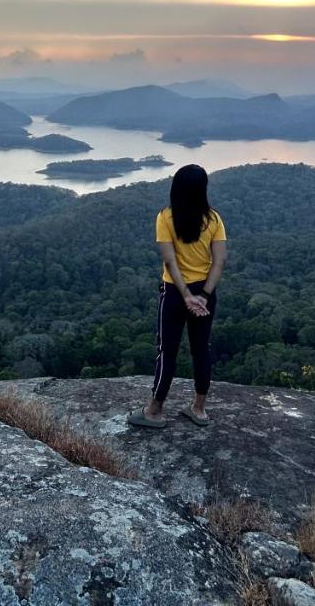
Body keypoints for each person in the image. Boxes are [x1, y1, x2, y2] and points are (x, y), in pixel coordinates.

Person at [128, 163, 227, 429]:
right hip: (205, 292)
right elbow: (219, 262)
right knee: (200, 350)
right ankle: (199, 409)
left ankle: (154, 411)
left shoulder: (166, 217)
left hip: (174, 293)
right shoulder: (214, 219)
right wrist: (203, 295)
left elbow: (170, 262)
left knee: (167, 351)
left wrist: (185, 295)